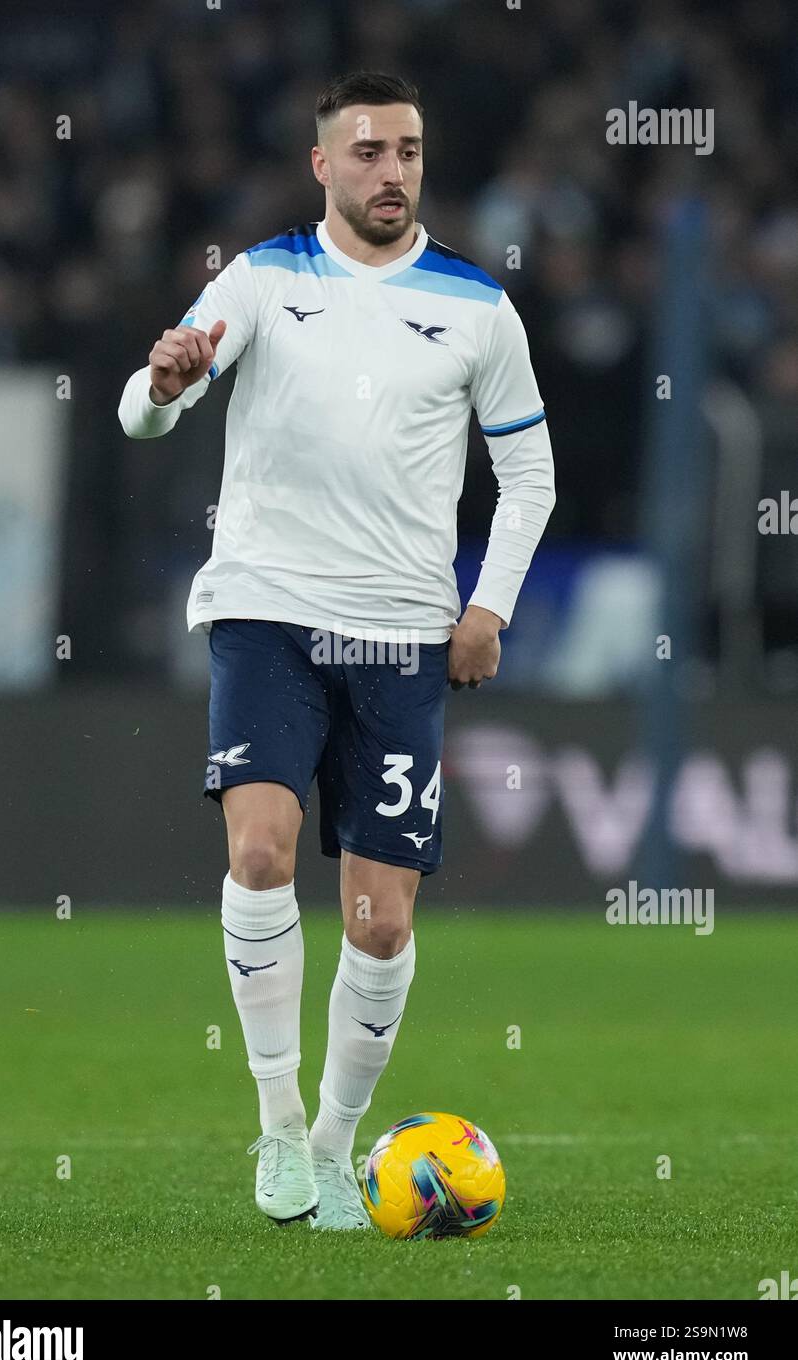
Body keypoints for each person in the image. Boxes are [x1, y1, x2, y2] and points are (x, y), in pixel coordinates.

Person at [118, 70, 555, 1231]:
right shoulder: (263, 277)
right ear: (323, 165)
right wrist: (162, 389)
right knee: (259, 854)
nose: (390, 170)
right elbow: (142, 404)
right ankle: (271, 1126)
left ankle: (330, 1147)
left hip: (404, 635)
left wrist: (488, 607)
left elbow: (529, 475)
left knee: (382, 923)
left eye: (407, 149)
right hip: (267, 608)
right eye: (365, 151)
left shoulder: (476, 307)